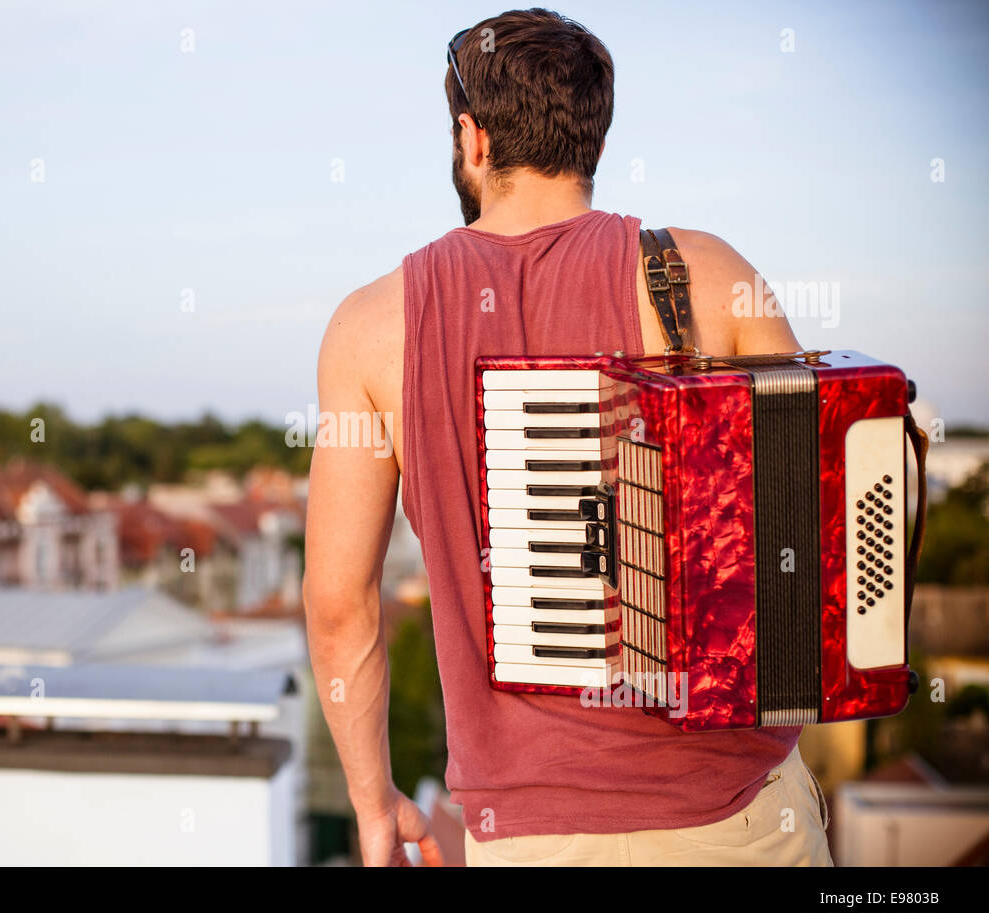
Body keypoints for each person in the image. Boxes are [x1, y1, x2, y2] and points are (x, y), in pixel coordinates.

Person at [302, 8, 833, 866]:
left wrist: (372, 801)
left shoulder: (370, 327)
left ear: (471, 141)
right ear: (591, 139)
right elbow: (812, 537)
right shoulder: (709, 274)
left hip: (529, 836)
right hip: (736, 818)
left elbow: (339, 608)